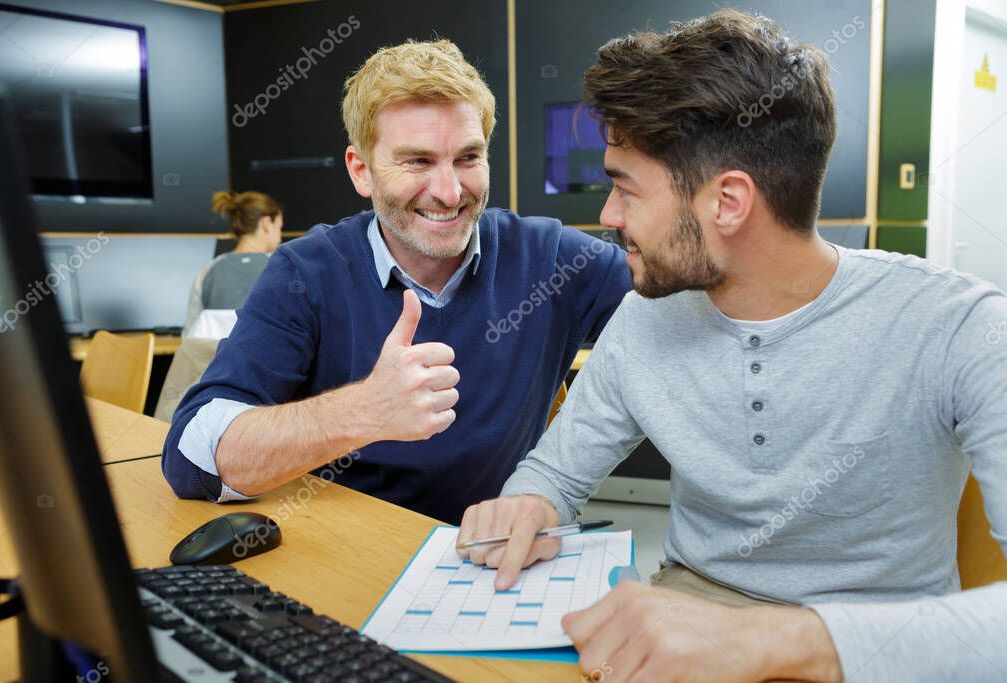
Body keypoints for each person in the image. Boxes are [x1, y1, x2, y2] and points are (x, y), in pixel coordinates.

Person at [458, 10, 1007, 682]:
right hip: (687, 623)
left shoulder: (963, 327)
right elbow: (554, 476)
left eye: (625, 188)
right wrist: (527, 504)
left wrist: (770, 641)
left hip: (883, 652)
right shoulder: (644, 319)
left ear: (728, 202)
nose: (607, 216)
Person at [160, 40, 630, 524]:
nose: (449, 192)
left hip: (493, 553)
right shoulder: (305, 273)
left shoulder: (553, 258)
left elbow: (672, 301)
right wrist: (363, 410)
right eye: (417, 162)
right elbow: (191, 455)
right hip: (349, 552)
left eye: (468, 157)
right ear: (361, 171)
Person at [182, 190, 284, 337]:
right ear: (267, 224)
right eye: (279, 228)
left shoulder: (209, 270)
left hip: (213, 352)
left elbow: (191, 334)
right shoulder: (280, 269)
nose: (280, 237)